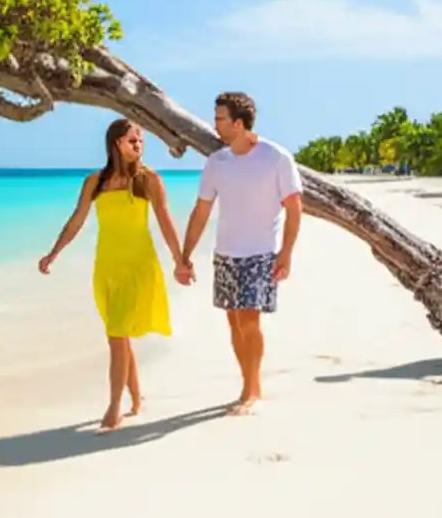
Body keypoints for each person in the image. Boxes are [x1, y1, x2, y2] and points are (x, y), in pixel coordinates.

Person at [39, 118, 188, 431]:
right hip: (106, 267)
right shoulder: (95, 182)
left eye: (141, 141)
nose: (139, 145)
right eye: (133, 140)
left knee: (117, 335)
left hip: (138, 266)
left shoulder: (149, 180)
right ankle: (136, 398)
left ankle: (114, 407)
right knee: (120, 335)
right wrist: (54, 252)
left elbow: (165, 222)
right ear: (116, 143)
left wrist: (180, 261)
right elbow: (77, 220)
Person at [177, 92, 303, 416]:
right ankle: (247, 382)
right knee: (234, 324)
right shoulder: (216, 163)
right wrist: (185, 254)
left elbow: (294, 209)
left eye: (219, 119)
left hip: (261, 254)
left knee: (249, 321)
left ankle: (252, 389)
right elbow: (201, 211)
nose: (214, 125)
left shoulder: (276, 157)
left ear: (238, 123)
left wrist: (286, 254)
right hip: (226, 254)